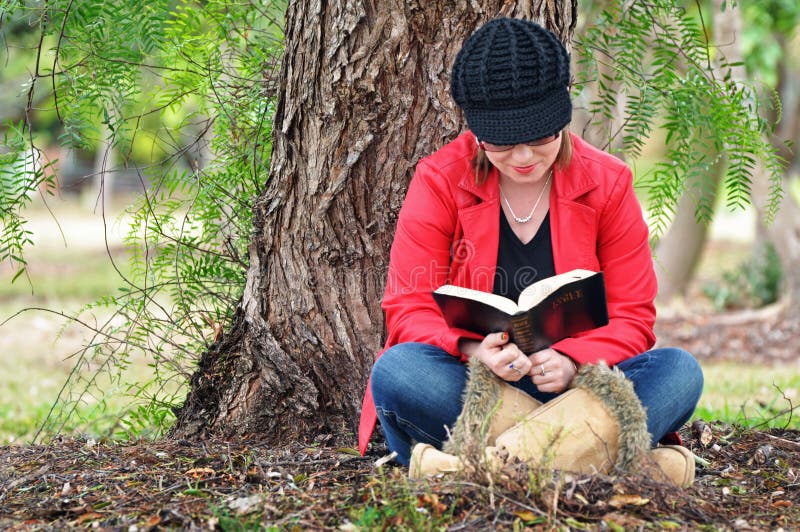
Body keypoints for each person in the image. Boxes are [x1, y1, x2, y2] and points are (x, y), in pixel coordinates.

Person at [357, 17, 704, 471]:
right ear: (476, 128)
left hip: (577, 386)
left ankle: (478, 471)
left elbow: (632, 317)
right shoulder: (440, 179)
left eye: (541, 136)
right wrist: (473, 350)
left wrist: (571, 362)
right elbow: (407, 307)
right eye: (502, 141)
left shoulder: (608, 183)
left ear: (562, 114)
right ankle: (604, 462)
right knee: (399, 372)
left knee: (678, 372)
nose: (523, 157)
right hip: (482, 386)